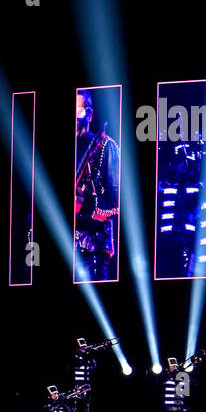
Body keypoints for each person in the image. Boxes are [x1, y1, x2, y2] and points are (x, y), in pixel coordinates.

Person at [74, 90, 120, 282]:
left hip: (92, 248)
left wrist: (86, 204)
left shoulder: (105, 146)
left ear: (90, 114)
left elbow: (116, 201)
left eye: (79, 112)